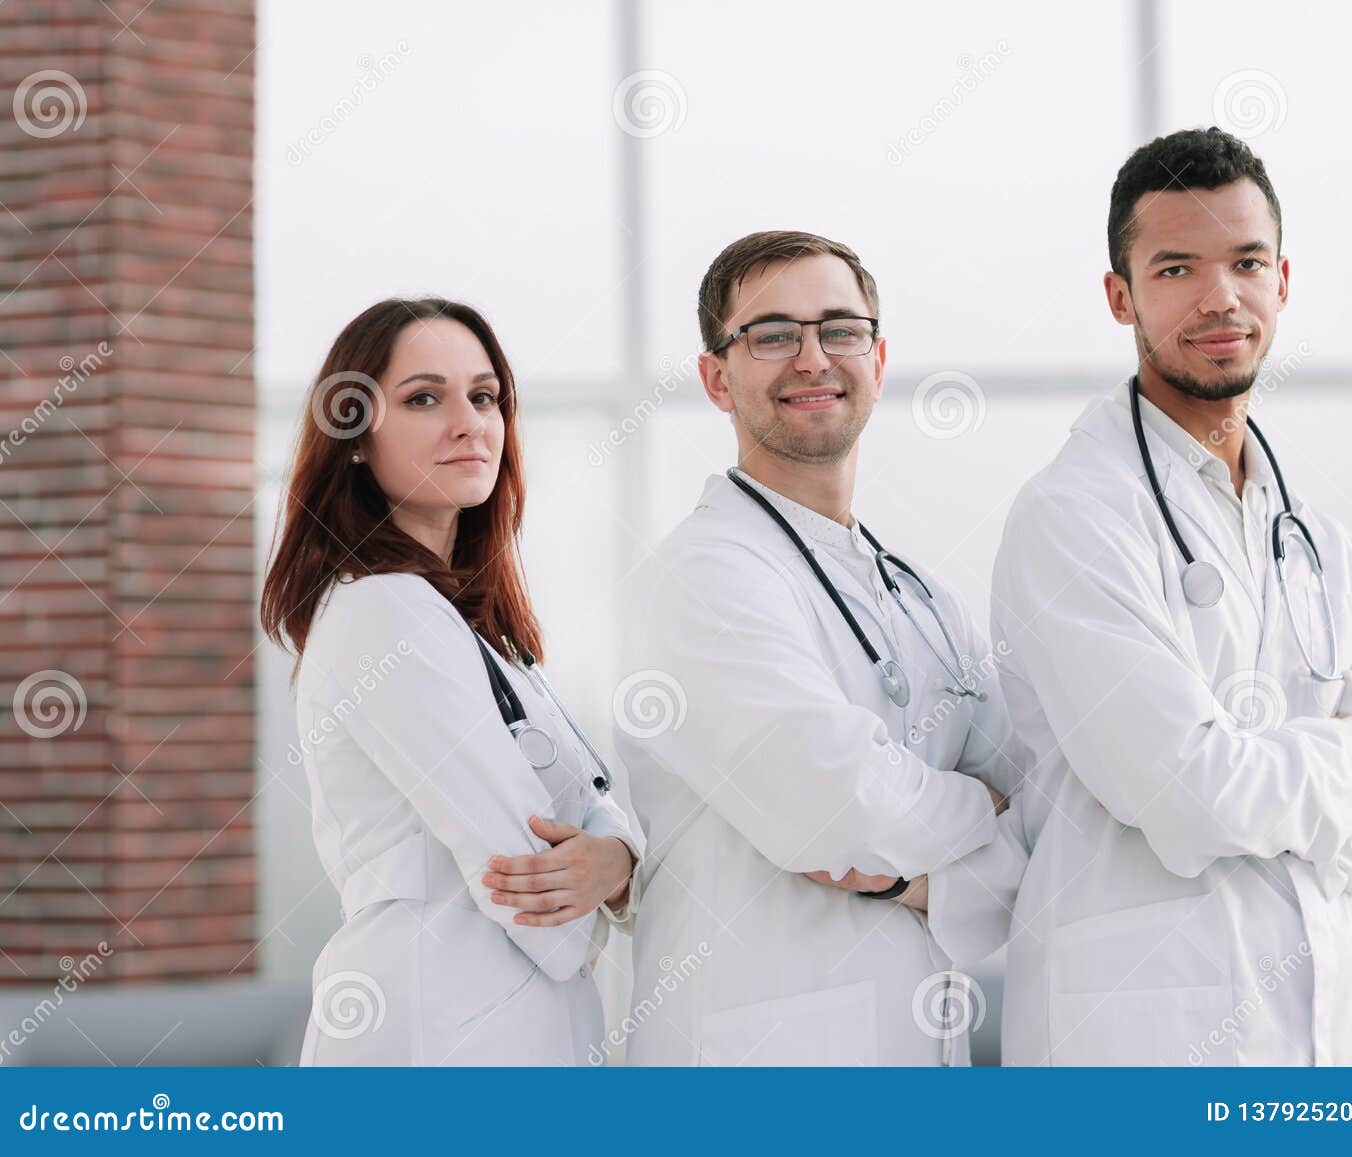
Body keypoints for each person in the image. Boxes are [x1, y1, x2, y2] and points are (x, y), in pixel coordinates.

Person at [991, 128, 1352, 1066]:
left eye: (1246, 262)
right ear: (1120, 296)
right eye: (1176, 268)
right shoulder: (1074, 515)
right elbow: (1189, 795)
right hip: (1141, 1048)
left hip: (1313, 1050)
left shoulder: (1323, 545)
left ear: (1284, 280)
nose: (1220, 297)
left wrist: (1261, 794)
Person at [601, 231, 1026, 1065]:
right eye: (771, 335)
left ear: (878, 358)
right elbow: (836, 805)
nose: (812, 358)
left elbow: (1045, 810)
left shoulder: (922, 596)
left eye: (839, 329)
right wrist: (982, 807)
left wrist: (913, 875)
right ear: (717, 379)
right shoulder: (702, 572)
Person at [261, 297, 642, 1065]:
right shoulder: (383, 611)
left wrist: (617, 859)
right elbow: (527, 875)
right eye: (424, 398)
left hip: (503, 1025)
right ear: (354, 437)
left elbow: (595, 800)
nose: (469, 423)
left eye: (485, 396)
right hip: (430, 1029)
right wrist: (613, 863)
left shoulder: (473, 624)